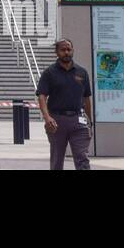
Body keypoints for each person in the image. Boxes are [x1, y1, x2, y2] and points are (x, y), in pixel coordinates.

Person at [35, 39, 93, 170]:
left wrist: (90, 120)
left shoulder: (82, 72)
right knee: (57, 160)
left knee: (82, 158)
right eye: (63, 50)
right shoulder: (49, 73)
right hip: (56, 122)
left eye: (69, 49)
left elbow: (86, 98)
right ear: (57, 52)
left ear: (72, 51)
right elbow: (42, 96)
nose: (66, 52)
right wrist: (47, 117)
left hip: (78, 121)